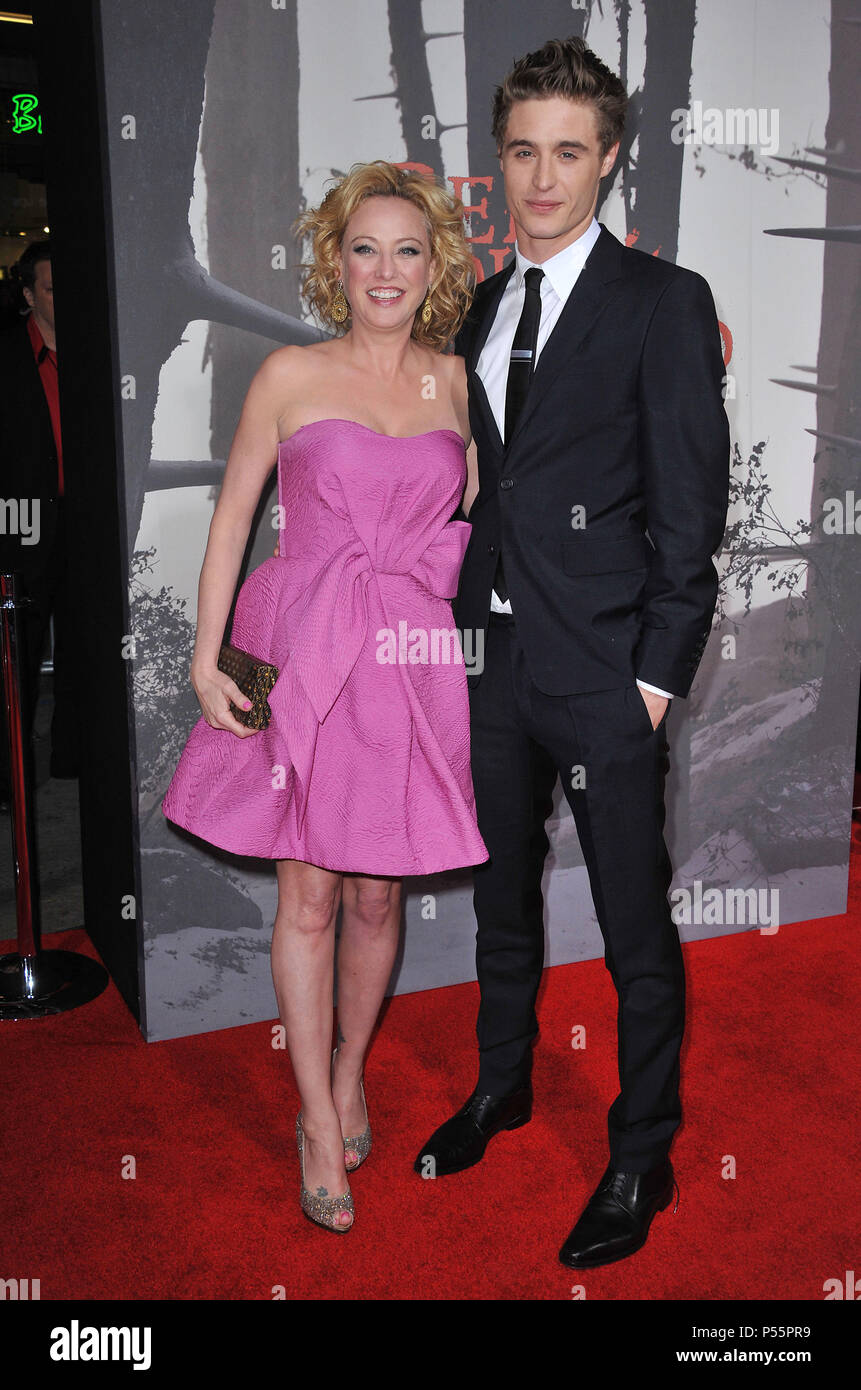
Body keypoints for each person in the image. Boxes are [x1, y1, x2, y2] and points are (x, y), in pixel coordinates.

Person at [415, 37, 730, 1270]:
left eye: (568, 153)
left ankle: (641, 1151)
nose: (542, 178)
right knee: (500, 897)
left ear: (608, 161)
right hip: (492, 656)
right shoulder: (486, 305)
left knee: (633, 926)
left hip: (606, 674)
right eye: (522, 152)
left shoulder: (666, 302)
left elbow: (691, 515)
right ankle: (502, 1087)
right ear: (502, 163)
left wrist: (653, 682)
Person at [162, 161, 488, 1232]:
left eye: (406, 249)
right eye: (364, 248)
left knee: (377, 896)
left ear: (434, 264)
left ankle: (351, 1067)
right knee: (305, 894)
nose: (384, 269)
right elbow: (230, 525)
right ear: (334, 264)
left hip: (407, 659)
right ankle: (314, 1115)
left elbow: (468, 525)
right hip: (302, 652)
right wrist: (209, 659)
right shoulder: (289, 376)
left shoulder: (455, 382)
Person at [0, 241, 77, 809]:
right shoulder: (6, 355)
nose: (64, 297)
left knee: (86, 645)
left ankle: (74, 759)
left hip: (85, 521)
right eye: (52, 287)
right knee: (18, 651)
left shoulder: (98, 352)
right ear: (29, 295)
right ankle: (9, 778)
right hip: (20, 521)